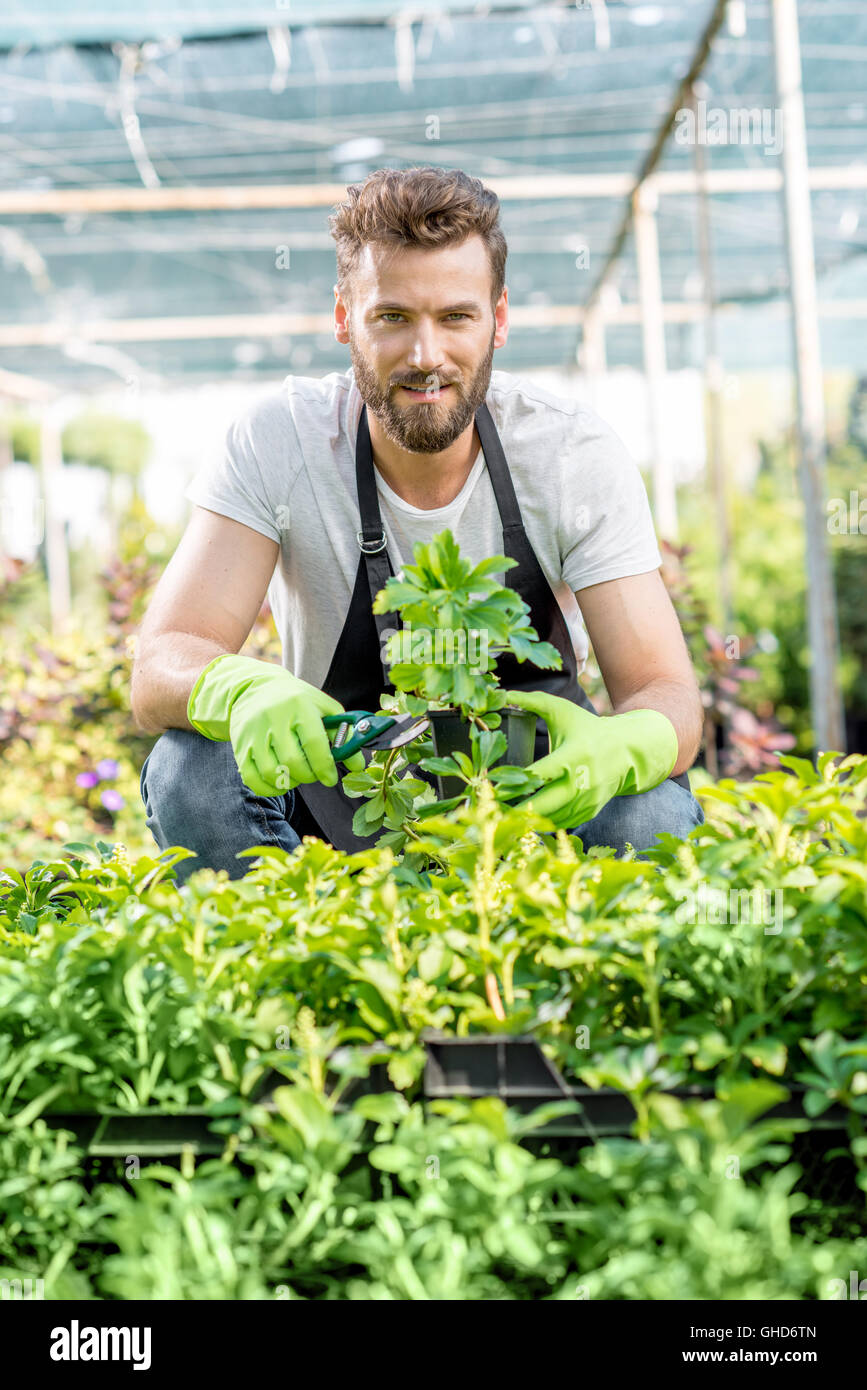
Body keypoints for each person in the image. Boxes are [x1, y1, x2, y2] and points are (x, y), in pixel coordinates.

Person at [132, 165, 704, 884]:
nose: (425, 356)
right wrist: (240, 689)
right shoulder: (280, 441)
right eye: (392, 317)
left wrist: (625, 745)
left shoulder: (569, 453)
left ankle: (583, 985)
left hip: (532, 811)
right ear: (344, 317)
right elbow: (159, 665)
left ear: (498, 317)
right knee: (191, 767)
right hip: (338, 811)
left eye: (455, 317)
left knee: (647, 810)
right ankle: (289, 969)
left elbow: (668, 692)